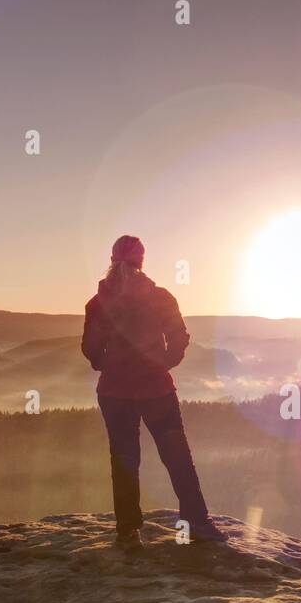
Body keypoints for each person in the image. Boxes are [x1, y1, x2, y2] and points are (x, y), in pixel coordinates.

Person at [82, 235, 226, 549]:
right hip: (156, 390)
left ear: (111, 259)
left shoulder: (98, 303)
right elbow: (179, 337)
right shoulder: (159, 297)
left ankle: (128, 531)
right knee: (177, 458)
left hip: (114, 393)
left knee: (124, 460)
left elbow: (90, 348)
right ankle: (196, 523)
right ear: (142, 260)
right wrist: (162, 363)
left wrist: (108, 365)